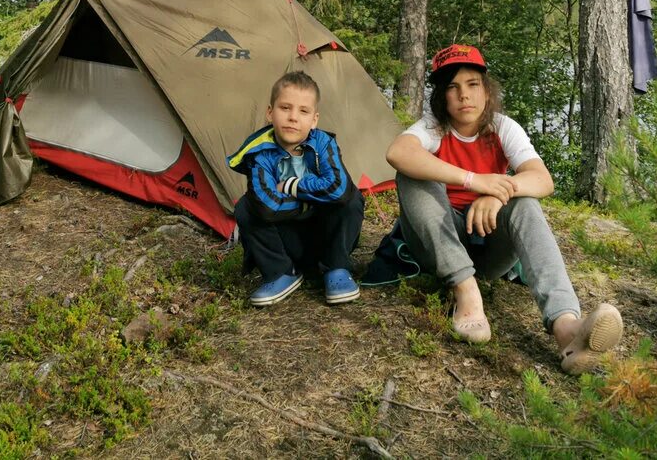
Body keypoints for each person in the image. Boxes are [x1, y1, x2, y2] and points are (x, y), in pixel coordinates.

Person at [385, 44, 624, 374]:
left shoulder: (502, 127)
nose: (463, 95)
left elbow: (542, 180)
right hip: (438, 246)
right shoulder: (433, 127)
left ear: (486, 89)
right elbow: (398, 153)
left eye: (472, 84)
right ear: (441, 96)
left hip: (489, 251)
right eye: (452, 87)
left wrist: (498, 193)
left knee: (523, 200)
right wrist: (474, 181)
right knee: (411, 176)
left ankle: (567, 329)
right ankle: (466, 292)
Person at [228, 71, 365, 308]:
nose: (293, 118)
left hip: (324, 238)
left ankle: (336, 269)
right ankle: (280, 273)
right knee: (246, 206)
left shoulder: (324, 143)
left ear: (314, 119)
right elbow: (266, 205)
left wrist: (292, 186)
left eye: (303, 111)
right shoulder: (259, 151)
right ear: (270, 113)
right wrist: (310, 202)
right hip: (287, 241)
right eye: (285, 108)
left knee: (352, 198)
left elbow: (338, 189)